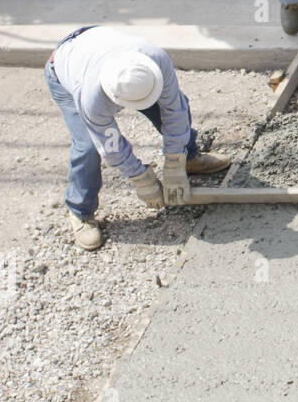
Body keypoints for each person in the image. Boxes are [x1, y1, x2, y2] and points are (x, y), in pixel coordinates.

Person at [45, 26, 229, 250]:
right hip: (63, 67)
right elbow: (109, 143)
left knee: (179, 106)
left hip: (97, 45)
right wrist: (140, 178)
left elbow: (175, 112)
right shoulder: (91, 97)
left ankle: (190, 159)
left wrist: (175, 161)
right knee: (87, 148)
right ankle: (80, 212)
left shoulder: (156, 60)